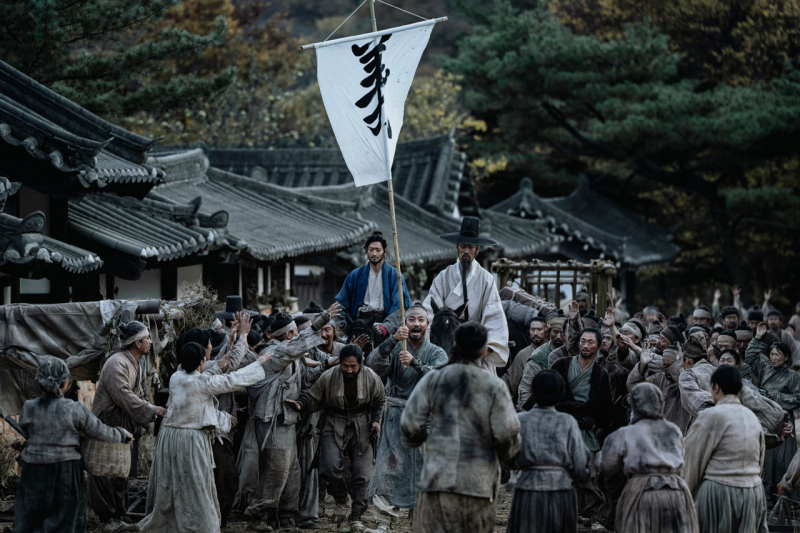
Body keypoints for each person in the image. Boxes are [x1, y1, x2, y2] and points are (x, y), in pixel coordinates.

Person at [138, 340, 274, 533]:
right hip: (191, 439)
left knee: (173, 482)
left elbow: (201, 379)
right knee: (196, 482)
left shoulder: (176, 377)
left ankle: (173, 521)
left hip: (170, 436)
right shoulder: (203, 383)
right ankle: (199, 525)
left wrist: (217, 367)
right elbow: (233, 380)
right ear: (201, 362)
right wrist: (258, 363)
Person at [401, 322, 520, 533]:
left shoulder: (434, 379)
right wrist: (506, 457)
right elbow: (507, 434)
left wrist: (421, 440)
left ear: (455, 344)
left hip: (437, 479)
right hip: (478, 484)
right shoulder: (494, 386)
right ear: (484, 350)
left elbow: (409, 425)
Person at [243, 304, 340, 531]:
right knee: (275, 469)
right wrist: (318, 323)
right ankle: (258, 517)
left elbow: (305, 377)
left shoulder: (290, 355)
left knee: (292, 470)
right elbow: (297, 347)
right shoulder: (274, 353)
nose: (298, 335)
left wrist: (326, 364)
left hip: (287, 419)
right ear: (288, 335)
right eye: (295, 332)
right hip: (272, 420)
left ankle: (285, 517)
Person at [13, 357, 132, 533]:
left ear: (39, 382)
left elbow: (26, 430)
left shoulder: (28, 407)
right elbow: (100, 432)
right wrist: (121, 434)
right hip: (65, 471)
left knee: (31, 518)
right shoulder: (75, 409)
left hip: (33, 469)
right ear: (65, 383)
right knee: (66, 520)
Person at [285, 345, 387, 533]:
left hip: (362, 423)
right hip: (334, 421)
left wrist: (376, 420)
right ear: (339, 363)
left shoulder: (371, 376)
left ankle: (356, 515)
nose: (349, 370)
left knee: (363, 473)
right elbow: (312, 396)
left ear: (360, 365)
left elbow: (380, 400)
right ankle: (341, 499)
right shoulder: (329, 376)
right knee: (329, 467)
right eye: (345, 365)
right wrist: (300, 404)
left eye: (353, 366)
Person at [365, 301, 448, 529]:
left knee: (424, 472)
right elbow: (372, 365)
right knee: (386, 470)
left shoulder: (436, 352)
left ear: (427, 325)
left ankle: (421, 522)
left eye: (421, 320)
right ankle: (383, 523)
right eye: (411, 319)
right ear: (404, 324)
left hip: (425, 419)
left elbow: (440, 378)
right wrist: (391, 340)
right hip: (395, 419)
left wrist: (415, 363)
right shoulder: (395, 348)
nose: (416, 324)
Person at [88, 321, 166, 531]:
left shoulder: (134, 362)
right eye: (147, 338)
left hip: (121, 423)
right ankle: (106, 520)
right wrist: (150, 409)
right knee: (106, 470)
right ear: (137, 343)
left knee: (120, 469)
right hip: (107, 423)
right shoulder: (117, 363)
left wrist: (147, 411)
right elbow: (124, 396)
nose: (150, 341)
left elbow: (135, 395)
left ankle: (117, 516)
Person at [532, 327, 611, 525]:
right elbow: (551, 393)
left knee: (589, 472)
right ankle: (564, 512)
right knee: (562, 471)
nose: (585, 345)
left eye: (591, 342)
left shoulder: (601, 374)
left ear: (598, 346)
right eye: (583, 341)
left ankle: (591, 513)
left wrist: (592, 420)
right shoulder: (562, 364)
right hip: (561, 425)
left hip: (586, 430)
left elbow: (603, 406)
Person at [598, 383, 699, 533]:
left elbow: (606, 465)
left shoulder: (625, 433)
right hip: (676, 490)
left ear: (635, 405)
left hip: (642, 490)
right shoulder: (673, 430)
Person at [683, 365, 767, 533]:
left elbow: (691, 463)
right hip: (753, 492)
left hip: (719, 492)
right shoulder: (752, 417)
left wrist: (683, 500)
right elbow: (760, 461)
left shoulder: (711, 416)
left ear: (716, 388)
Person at [506, 370, 590, 533]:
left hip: (528, 489)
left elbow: (508, 458)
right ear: (560, 394)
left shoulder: (521, 420)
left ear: (534, 392)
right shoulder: (567, 422)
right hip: (561, 490)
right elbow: (580, 464)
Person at [423, 216, 509, 372]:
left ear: (477, 249)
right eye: (463, 247)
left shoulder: (486, 279)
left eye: (471, 247)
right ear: (457, 247)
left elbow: (494, 315)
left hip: (475, 342)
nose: (466, 252)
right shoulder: (444, 276)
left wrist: (484, 346)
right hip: (446, 339)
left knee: (485, 378)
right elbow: (430, 311)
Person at [746, 322, 800, 501]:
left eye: (778, 355)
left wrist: (775, 396)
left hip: (785, 421)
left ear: (786, 357)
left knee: (783, 459)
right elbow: (750, 356)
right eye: (772, 354)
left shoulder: (793, 376)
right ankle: (766, 500)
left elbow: (798, 397)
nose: (774, 357)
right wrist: (758, 337)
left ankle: (786, 500)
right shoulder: (765, 369)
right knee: (767, 458)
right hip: (766, 419)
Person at [335, 231, 412, 336]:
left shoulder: (394, 275)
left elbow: (401, 307)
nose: (374, 254)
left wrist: (386, 327)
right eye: (371, 250)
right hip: (359, 324)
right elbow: (341, 304)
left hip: (385, 324)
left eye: (378, 250)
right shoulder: (355, 275)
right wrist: (346, 327)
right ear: (366, 251)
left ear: (384, 251)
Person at [626, 345, 692, 434]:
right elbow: (635, 387)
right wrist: (642, 365)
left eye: (671, 365)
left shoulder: (688, 381)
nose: (667, 369)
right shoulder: (658, 379)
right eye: (665, 365)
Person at [516, 310, 568, 410]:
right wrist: (525, 412)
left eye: (562, 332)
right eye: (555, 332)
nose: (558, 336)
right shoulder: (538, 357)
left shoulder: (572, 353)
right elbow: (525, 389)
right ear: (549, 333)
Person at [502, 315, 546, 406]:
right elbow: (511, 381)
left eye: (539, 329)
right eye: (532, 330)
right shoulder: (523, 354)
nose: (535, 333)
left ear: (545, 331)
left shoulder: (553, 350)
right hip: (529, 402)